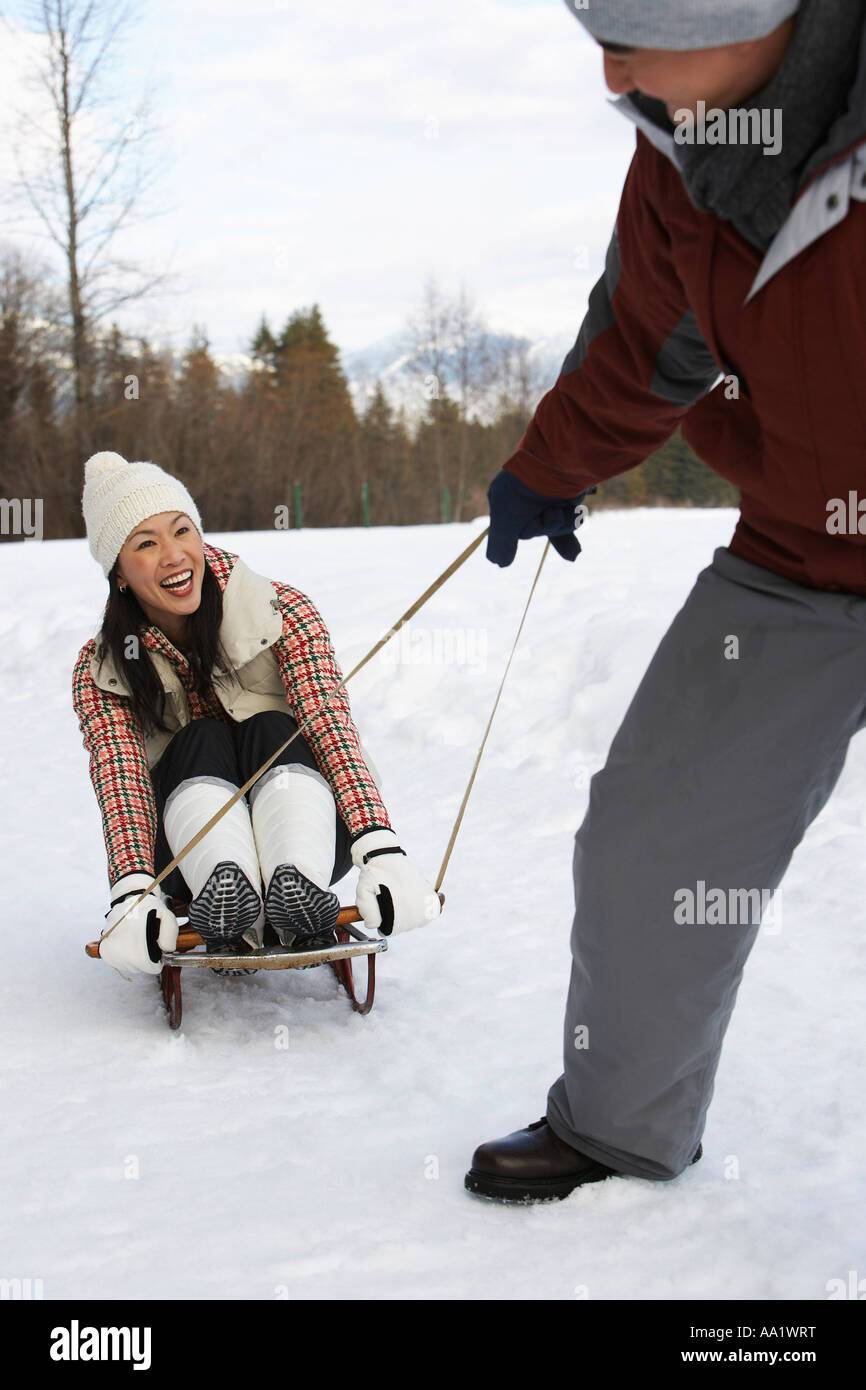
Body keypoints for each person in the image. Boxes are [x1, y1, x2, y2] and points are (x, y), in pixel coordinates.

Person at [466, 0, 866, 1200]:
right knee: (654, 831)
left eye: (638, 21)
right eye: (594, 20)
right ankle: (619, 1124)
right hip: (803, 551)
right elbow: (647, 339)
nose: (608, 60)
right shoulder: (679, 151)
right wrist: (547, 469)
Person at [73, 450, 440, 977]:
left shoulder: (281, 611)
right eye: (146, 544)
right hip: (183, 859)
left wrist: (381, 847)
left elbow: (331, 727)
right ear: (120, 574)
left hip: (313, 831)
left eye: (182, 531)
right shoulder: (103, 669)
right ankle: (228, 889)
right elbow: (121, 781)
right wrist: (132, 889)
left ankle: (297, 884)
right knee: (198, 737)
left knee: (272, 726)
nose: (174, 555)